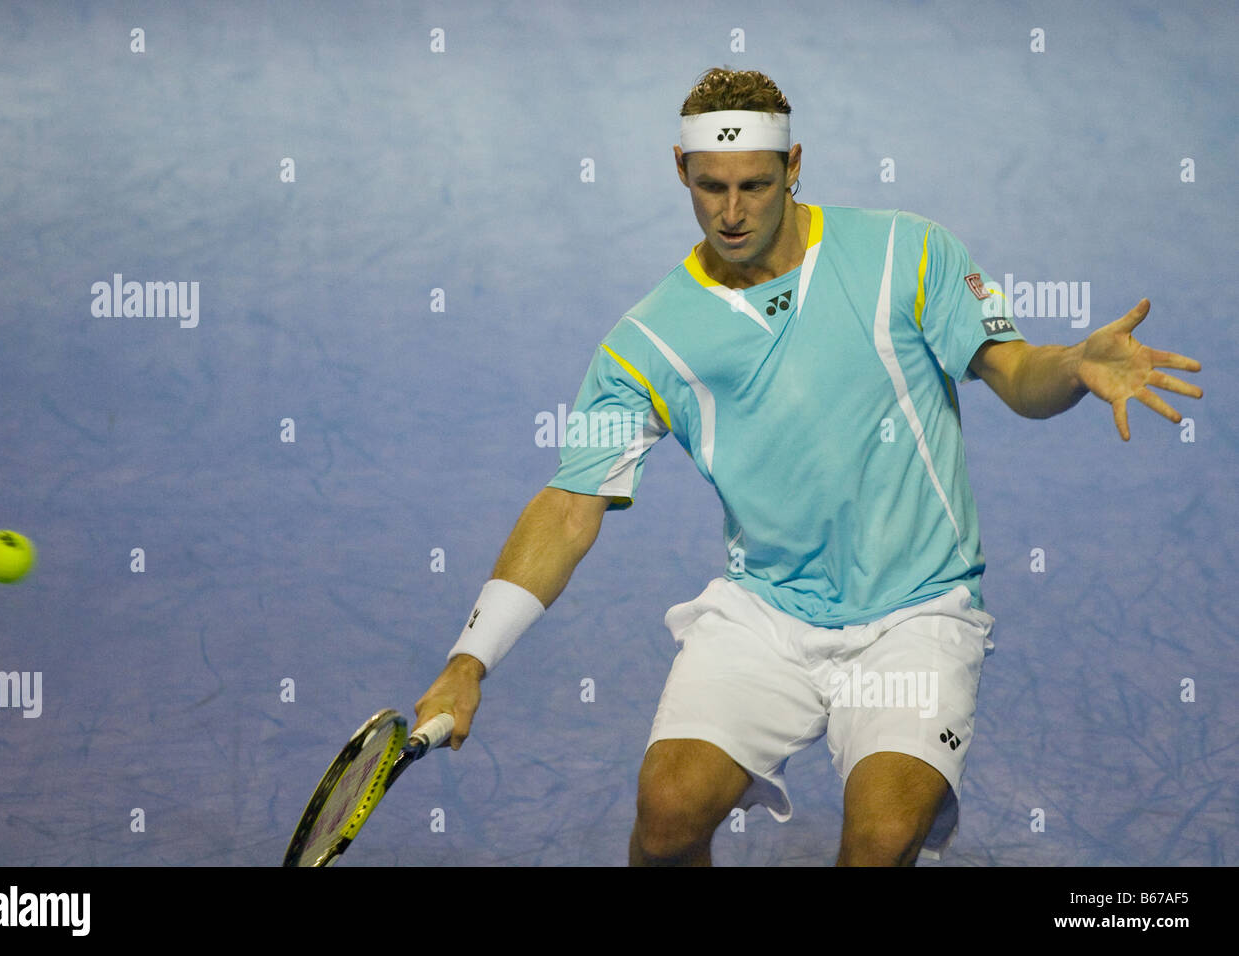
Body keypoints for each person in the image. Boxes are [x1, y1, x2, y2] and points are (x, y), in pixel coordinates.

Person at [411, 68, 1202, 866]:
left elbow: (1014, 370)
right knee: (665, 818)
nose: (731, 210)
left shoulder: (907, 254)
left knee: (882, 840)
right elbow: (570, 502)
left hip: (916, 612)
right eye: (710, 185)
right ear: (680, 170)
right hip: (766, 613)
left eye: (754, 184)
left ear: (794, 168)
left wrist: (1072, 365)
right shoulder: (646, 343)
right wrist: (467, 662)